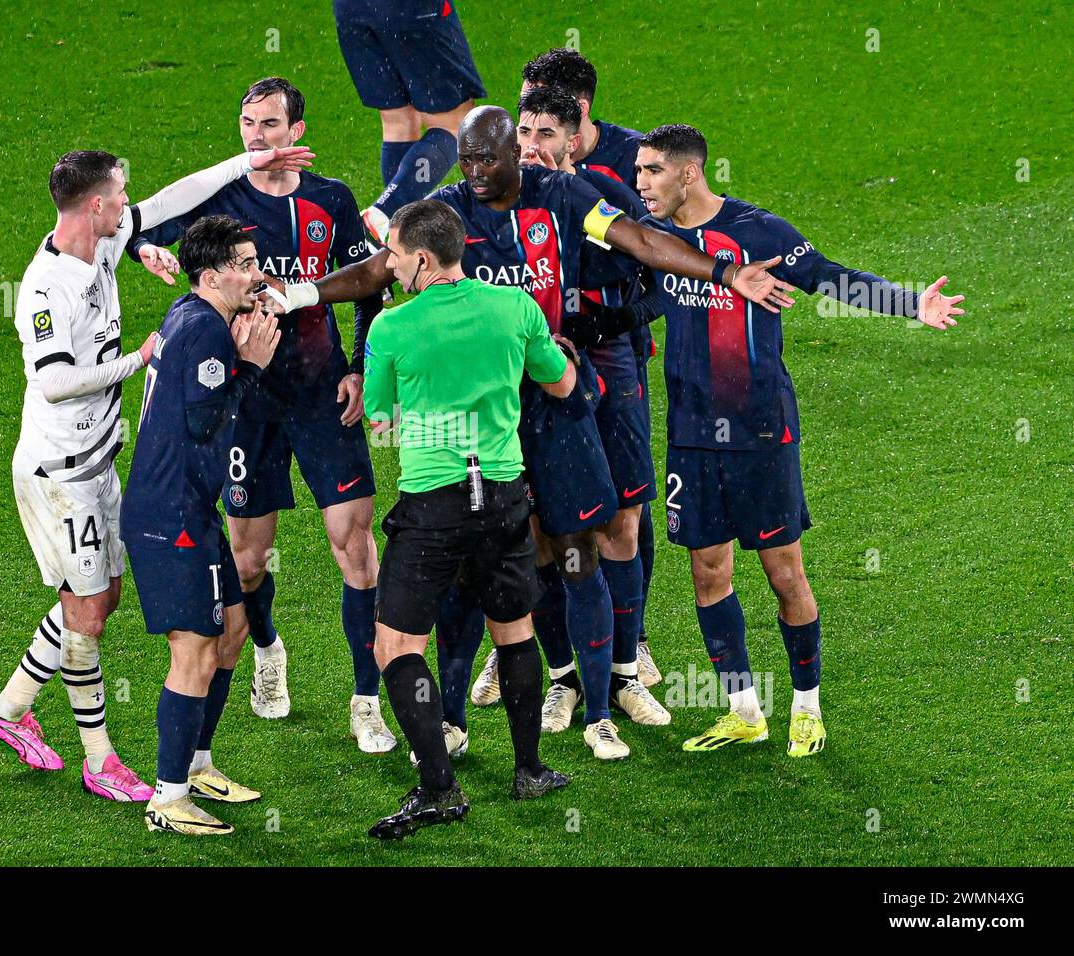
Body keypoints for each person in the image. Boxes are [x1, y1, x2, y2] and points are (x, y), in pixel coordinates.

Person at [265, 106, 795, 761]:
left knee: (592, 544)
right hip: (496, 413)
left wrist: (720, 272)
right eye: (468, 162)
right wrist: (295, 297)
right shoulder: (449, 211)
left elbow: (635, 239)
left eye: (489, 159)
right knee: (515, 558)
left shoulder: (563, 194)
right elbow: (380, 270)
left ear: (518, 153)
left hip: (553, 397)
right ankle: (550, 685)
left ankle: (614, 689)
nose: (478, 173)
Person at [0, 143, 313, 800]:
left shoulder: (100, 244)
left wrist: (244, 163)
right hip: (60, 470)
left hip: (100, 459)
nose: (132, 203)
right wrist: (138, 360)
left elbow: (170, 202)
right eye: (122, 194)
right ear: (96, 204)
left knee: (99, 599)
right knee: (89, 612)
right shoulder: (45, 290)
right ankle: (99, 758)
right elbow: (54, 384)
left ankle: (10, 708)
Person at [633, 124, 964, 756]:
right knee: (708, 571)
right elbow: (636, 304)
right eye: (639, 171)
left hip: (762, 431)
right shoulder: (656, 241)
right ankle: (744, 711)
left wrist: (908, 305)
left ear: (690, 173)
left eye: (651, 171)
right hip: (693, 436)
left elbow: (828, 277)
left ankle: (807, 706)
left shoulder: (762, 232)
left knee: (783, 571)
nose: (640, 183)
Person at [127, 77, 393, 753]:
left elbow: (369, 286)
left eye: (269, 125)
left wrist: (361, 365)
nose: (256, 137)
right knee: (247, 563)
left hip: (322, 394)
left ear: (296, 132)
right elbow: (133, 226)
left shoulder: (331, 201)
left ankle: (367, 702)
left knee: (356, 551)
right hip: (247, 399)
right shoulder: (219, 202)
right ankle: (268, 651)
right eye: (247, 124)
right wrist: (144, 251)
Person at [361, 200, 573, 839]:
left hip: (433, 508)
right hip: (506, 498)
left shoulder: (391, 329)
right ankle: (530, 769)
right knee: (513, 630)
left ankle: (438, 788)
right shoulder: (514, 307)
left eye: (395, 254)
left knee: (395, 647)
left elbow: (378, 422)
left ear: (423, 259)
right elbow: (560, 385)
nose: (390, 266)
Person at [462, 87, 671, 735]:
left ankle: (625, 662)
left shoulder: (596, 196)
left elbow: (659, 269)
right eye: (522, 132)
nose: (531, 145)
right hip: (531, 385)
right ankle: (557, 670)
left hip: (607, 367)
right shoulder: (499, 205)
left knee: (621, 521)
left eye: (545, 133)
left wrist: (613, 320)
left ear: (576, 137)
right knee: (541, 534)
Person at [123, 216, 280, 836]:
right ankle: (167, 797)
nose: (256, 273)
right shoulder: (208, 334)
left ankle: (197, 760)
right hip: (172, 518)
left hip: (188, 509)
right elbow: (203, 424)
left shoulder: (189, 315)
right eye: (243, 264)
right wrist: (251, 364)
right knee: (192, 652)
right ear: (211, 277)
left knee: (234, 627)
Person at [333, 0, 486, 242]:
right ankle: (385, 213)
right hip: (411, 9)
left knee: (398, 121)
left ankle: (397, 237)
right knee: (455, 123)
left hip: (350, 9)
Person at [520, 48, 642, 187]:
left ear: (580, 108)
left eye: (542, 103)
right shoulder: (510, 154)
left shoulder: (636, 155)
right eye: (524, 102)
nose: (529, 113)